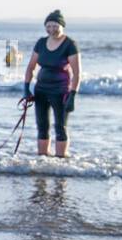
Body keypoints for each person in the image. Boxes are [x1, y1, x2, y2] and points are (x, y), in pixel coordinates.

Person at [23, 10, 81, 157]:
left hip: (61, 91)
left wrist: (72, 96)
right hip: (41, 90)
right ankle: (43, 161)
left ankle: (61, 162)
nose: (51, 29)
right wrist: (26, 89)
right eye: (48, 26)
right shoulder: (41, 43)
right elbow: (31, 67)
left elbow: (77, 73)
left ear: (62, 26)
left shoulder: (70, 44)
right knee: (42, 126)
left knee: (60, 127)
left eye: (55, 26)